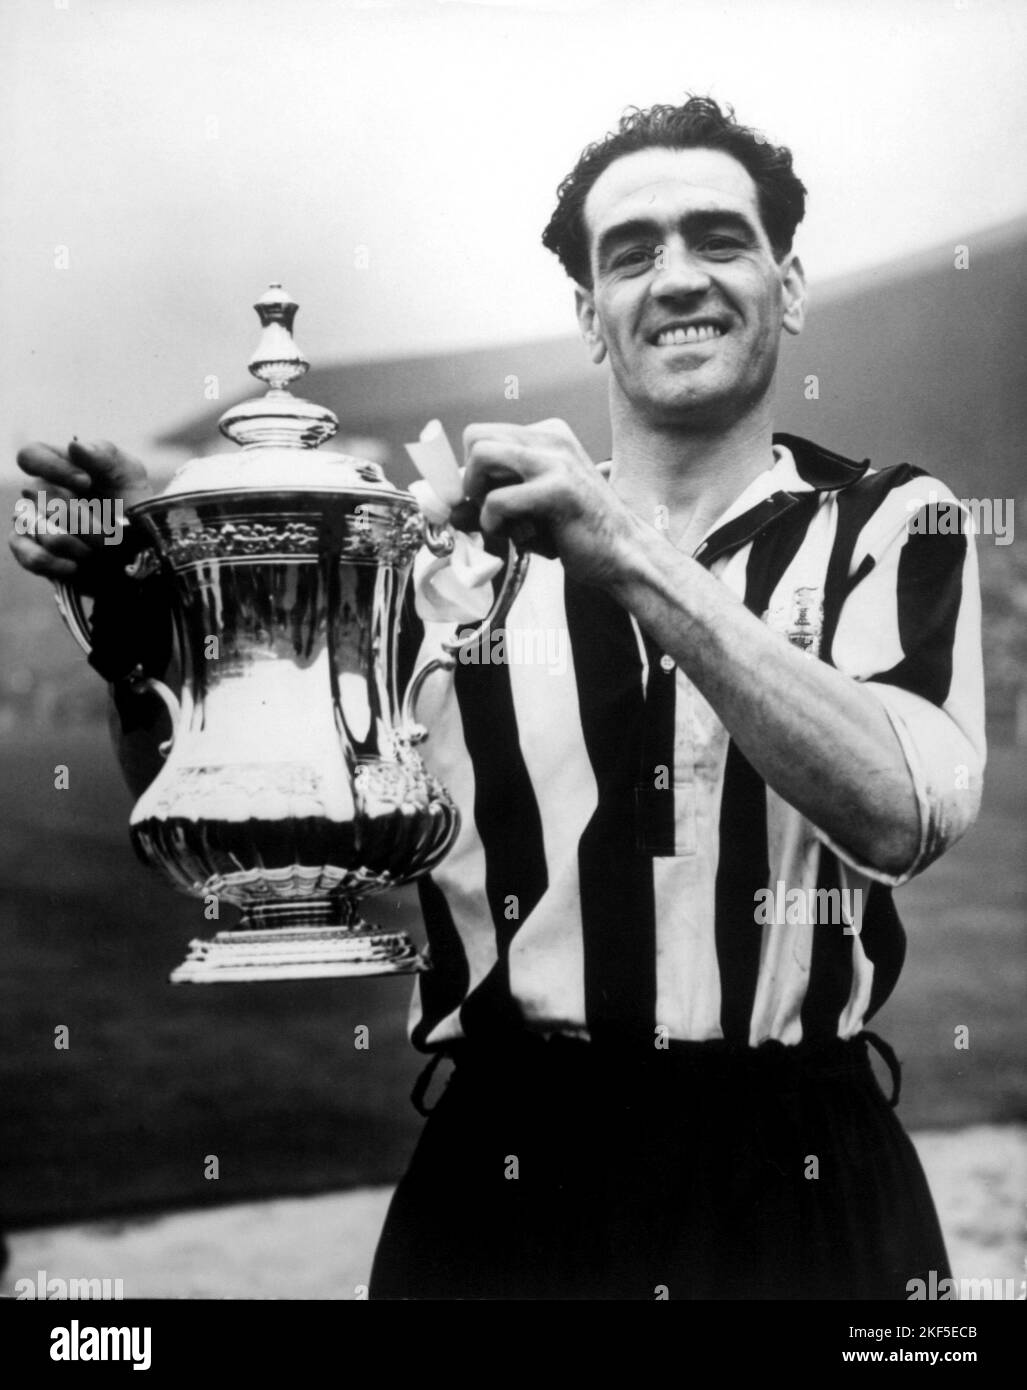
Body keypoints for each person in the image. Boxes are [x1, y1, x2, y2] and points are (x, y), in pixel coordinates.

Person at [10, 97, 985, 1301]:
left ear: (786, 287)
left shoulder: (891, 521)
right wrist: (160, 619)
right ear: (588, 311)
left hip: (800, 1174)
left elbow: (901, 809)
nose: (676, 278)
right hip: (514, 1177)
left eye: (717, 240)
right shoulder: (450, 556)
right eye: (630, 253)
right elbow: (267, 819)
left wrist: (623, 552)